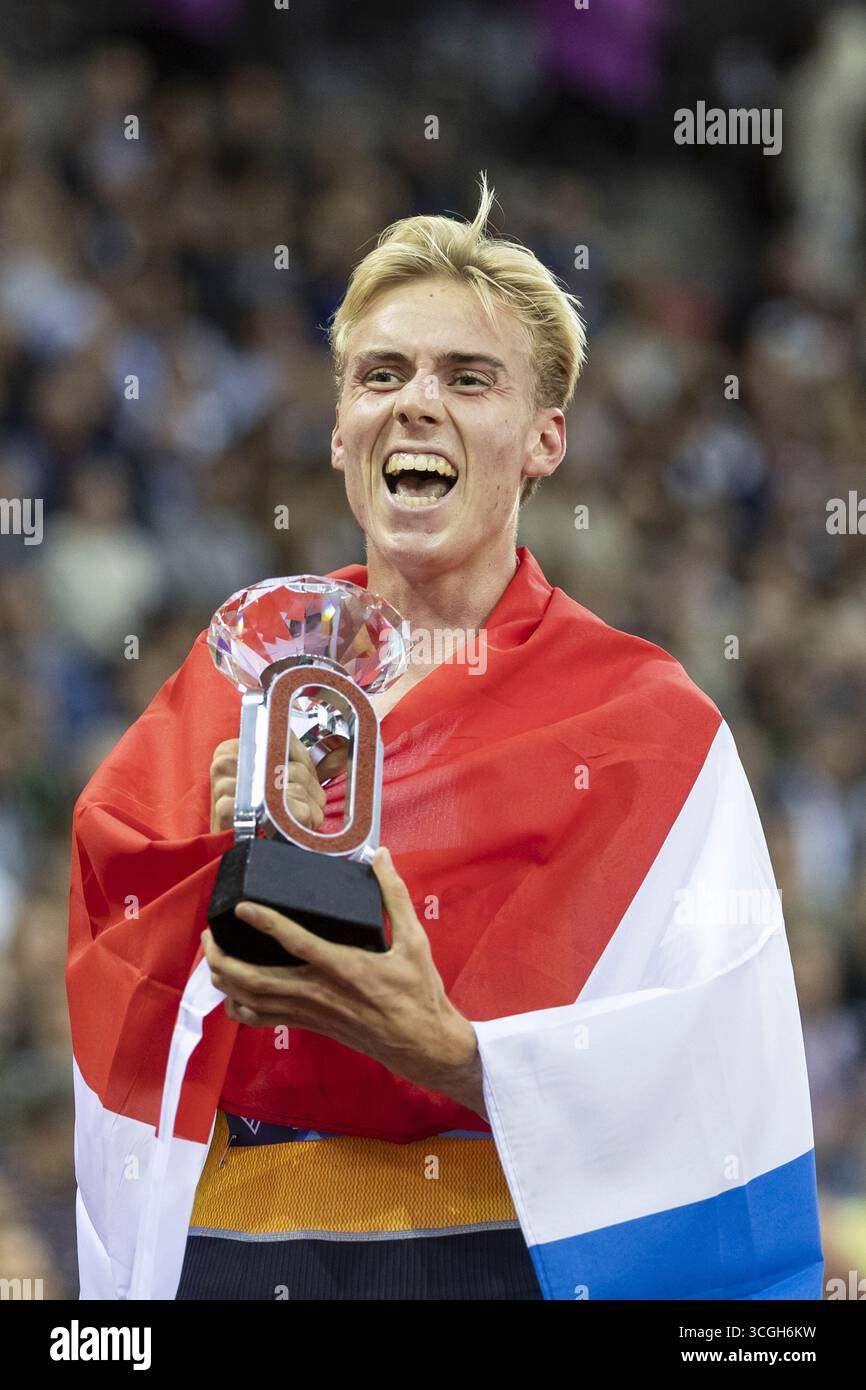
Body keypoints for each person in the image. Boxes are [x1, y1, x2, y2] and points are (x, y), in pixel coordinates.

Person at [67, 176, 824, 1301]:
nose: (415, 402)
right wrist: (215, 856)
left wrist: (460, 1057)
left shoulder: (649, 735)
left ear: (543, 439)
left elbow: (717, 1088)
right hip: (228, 1254)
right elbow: (113, 936)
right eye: (383, 375)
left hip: (501, 1264)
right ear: (339, 435)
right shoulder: (236, 675)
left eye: (467, 379)